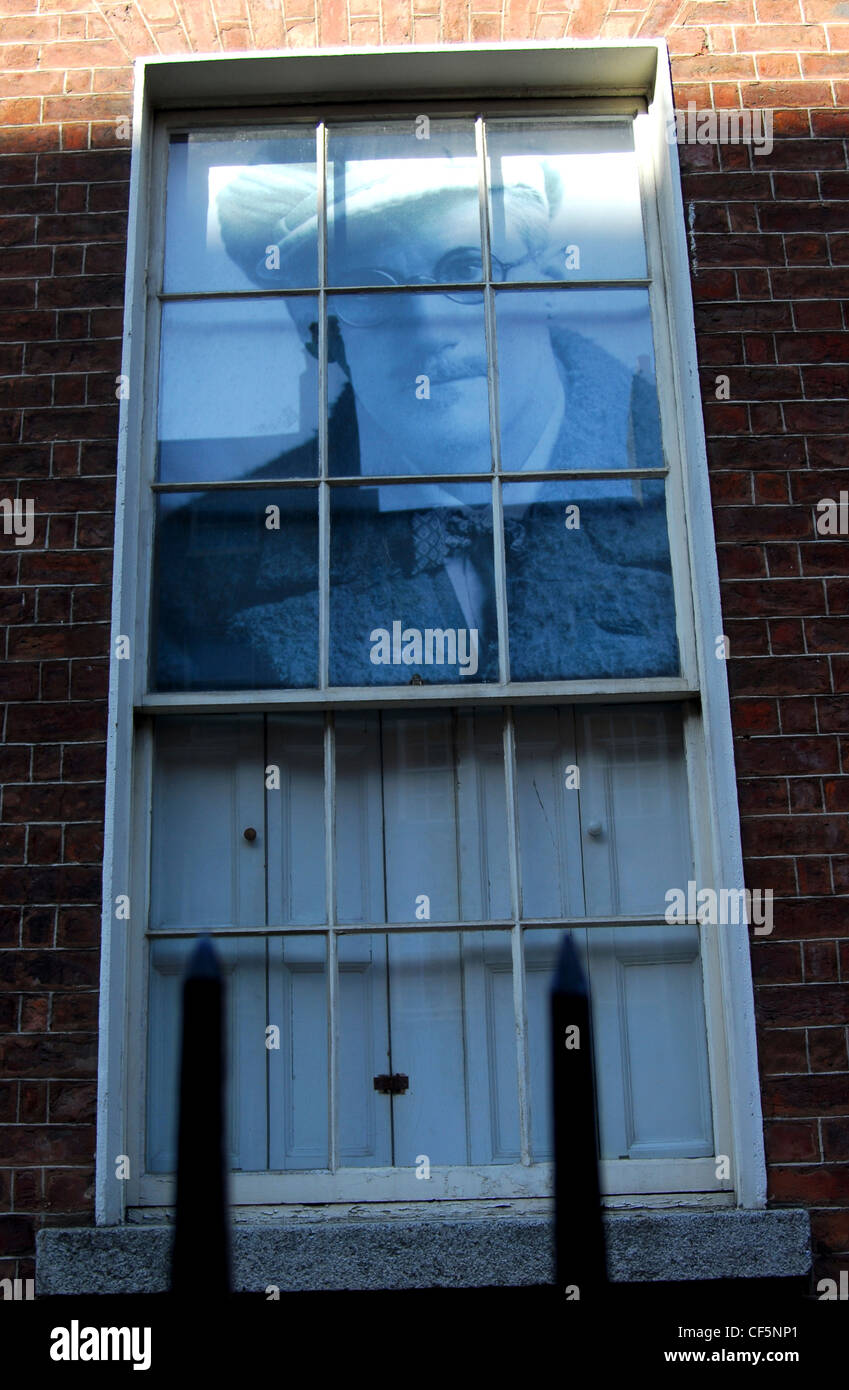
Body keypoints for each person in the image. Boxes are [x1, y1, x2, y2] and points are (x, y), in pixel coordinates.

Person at [153, 146, 678, 690]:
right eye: (370, 289)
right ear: (324, 333)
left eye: (469, 269)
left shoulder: (688, 483)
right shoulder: (200, 571)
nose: (427, 326)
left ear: (544, 282)